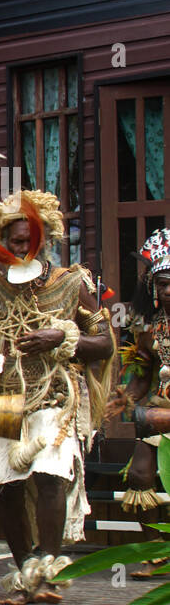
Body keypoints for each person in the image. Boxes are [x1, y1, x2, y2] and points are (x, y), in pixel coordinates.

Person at [0, 191, 114, 602]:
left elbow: (105, 344)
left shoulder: (73, 283)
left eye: (28, 239)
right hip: (6, 397)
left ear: (43, 238)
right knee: (5, 485)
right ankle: (26, 571)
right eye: (13, 239)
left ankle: (48, 569)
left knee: (48, 476)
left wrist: (61, 336)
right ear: (3, 239)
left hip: (55, 396)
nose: (20, 245)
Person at [107, 228, 170, 578]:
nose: (169, 290)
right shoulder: (148, 327)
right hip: (160, 409)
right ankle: (158, 554)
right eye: (162, 283)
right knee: (140, 475)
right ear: (153, 287)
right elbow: (145, 372)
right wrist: (126, 397)